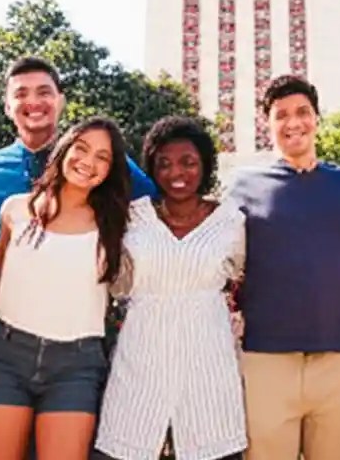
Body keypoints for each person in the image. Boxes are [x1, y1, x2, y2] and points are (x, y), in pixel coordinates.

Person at [224, 74, 340, 460]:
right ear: (267, 124)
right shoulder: (241, 186)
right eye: (281, 115)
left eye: (302, 112)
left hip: (339, 360)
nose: (293, 123)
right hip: (265, 361)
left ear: (317, 118)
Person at [0, 117, 132, 460]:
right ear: (64, 149)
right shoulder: (17, 209)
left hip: (76, 366)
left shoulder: (118, 224)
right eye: (82, 148)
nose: (88, 162)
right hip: (8, 356)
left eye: (102, 157)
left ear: (110, 169)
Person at [95, 116, 246, 460]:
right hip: (141, 357)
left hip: (208, 363)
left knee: (212, 446)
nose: (176, 172)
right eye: (164, 163)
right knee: (127, 446)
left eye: (188, 162)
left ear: (205, 165)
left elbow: (243, 276)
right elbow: (117, 284)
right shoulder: (132, 218)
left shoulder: (231, 222)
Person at [0, 57, 155, 251]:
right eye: (21, 94)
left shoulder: (105, 166)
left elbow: (161, 212)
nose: (33, 102)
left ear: (61, 101)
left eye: (44, 92)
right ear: (7, 107)